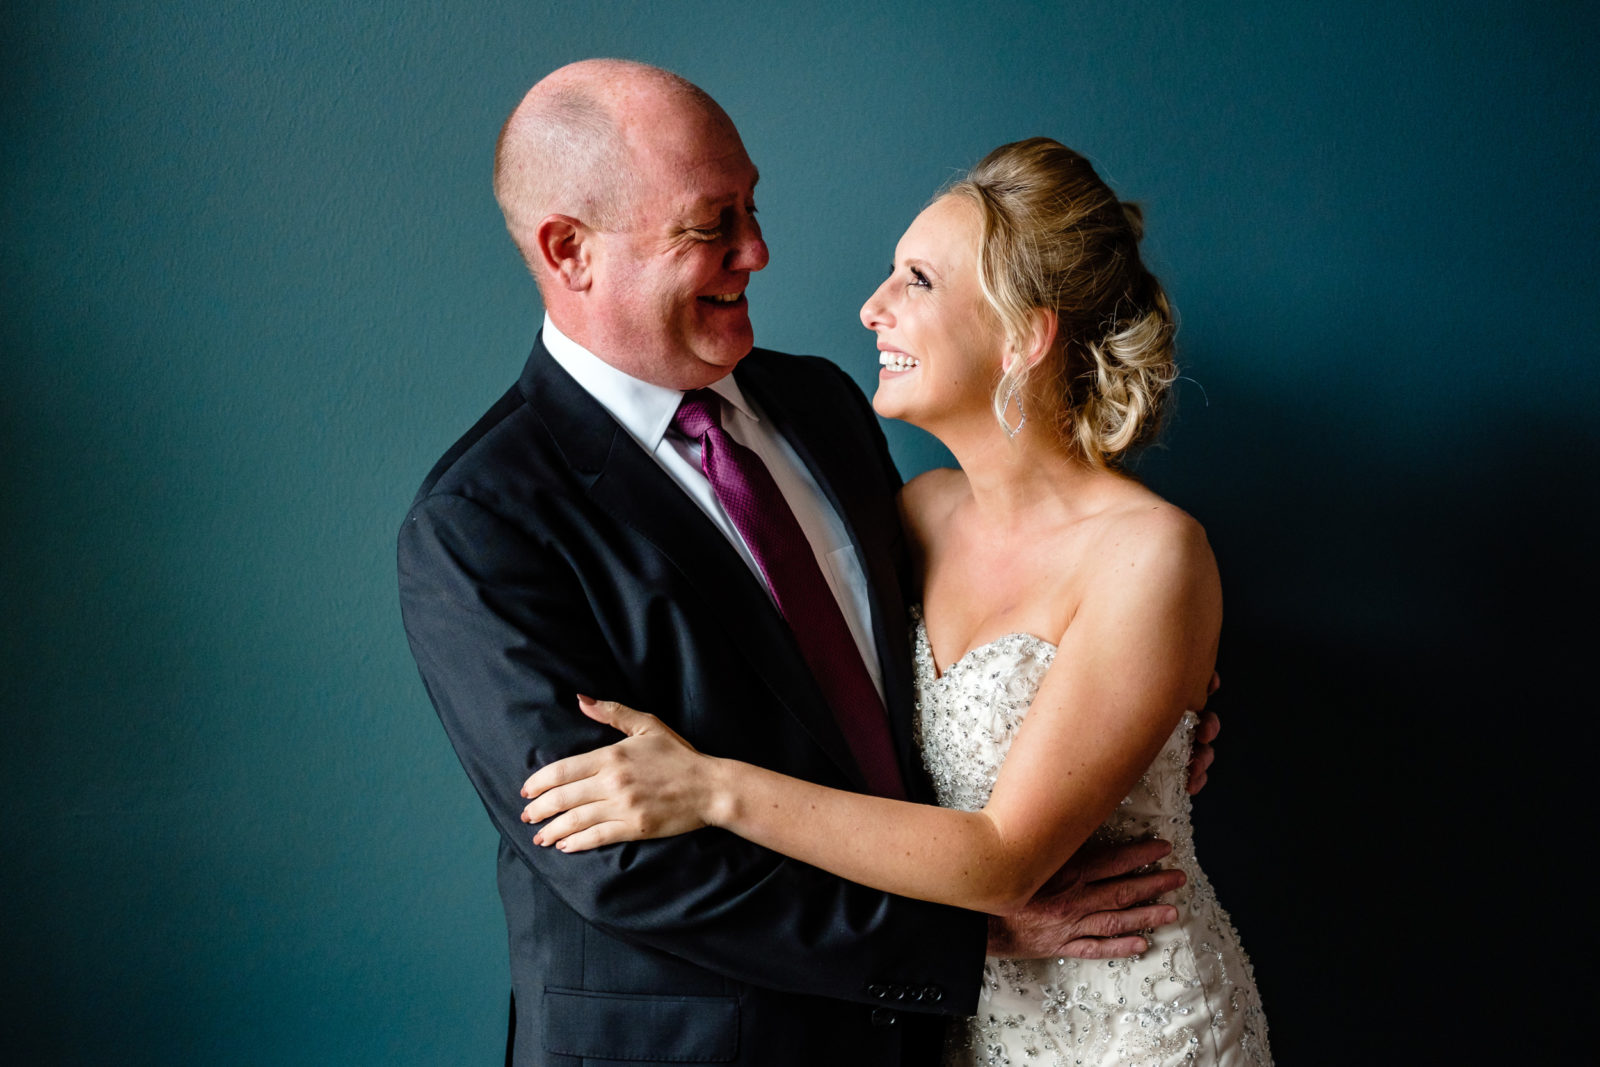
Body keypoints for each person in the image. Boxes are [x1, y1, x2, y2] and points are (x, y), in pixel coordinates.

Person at [399, 59, 1218, 1067]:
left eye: (753, 206)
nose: (759, 251)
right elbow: (622, 866)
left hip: (952, 1033)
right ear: (571, 251)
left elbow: (955, 661)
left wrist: (1150, 711)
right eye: (711, 225)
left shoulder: (823, 407)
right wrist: (966, 939)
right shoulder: (481, 520)